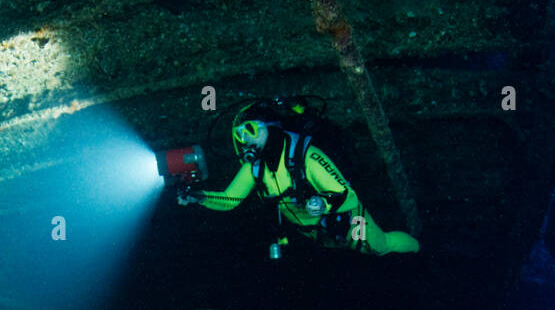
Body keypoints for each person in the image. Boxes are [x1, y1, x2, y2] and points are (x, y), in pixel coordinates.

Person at [177, 101, 419, 256]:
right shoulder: (254, 166)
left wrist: (322, 204)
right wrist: (199, 196)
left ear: (270, 127)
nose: (244, 140)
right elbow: (230, 200)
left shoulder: (307, 156)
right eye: (239, 134)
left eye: (250, 130)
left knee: (381, 247)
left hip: (348, 222)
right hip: (312, 231)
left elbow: (348, 195)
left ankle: (419, 248)